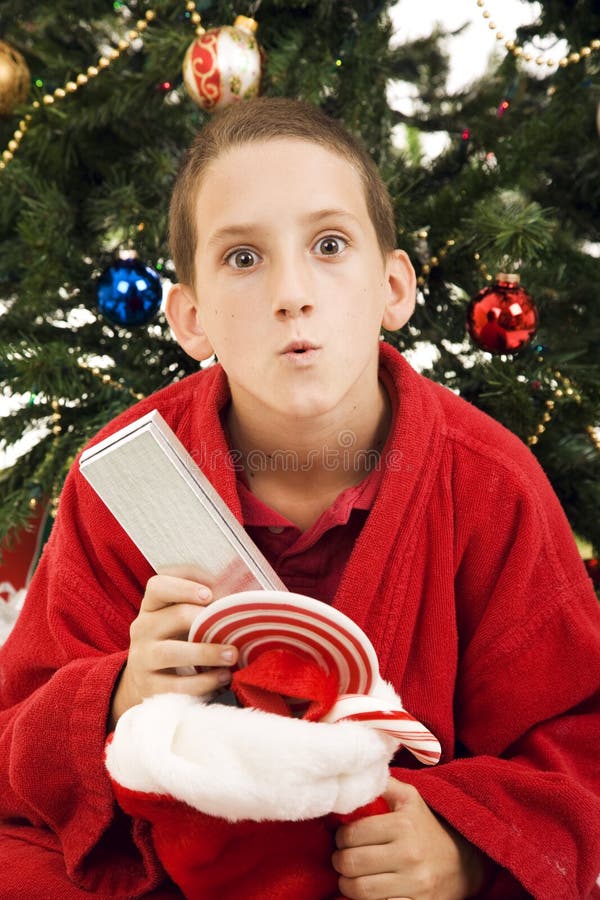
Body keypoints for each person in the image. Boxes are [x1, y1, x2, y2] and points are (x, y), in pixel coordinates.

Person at [0, 96, 599, 900]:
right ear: (190, 316)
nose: (292, 293)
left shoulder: (489, 485)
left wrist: (465, 847)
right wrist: (120, 695)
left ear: (392, 287)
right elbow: (18, 738)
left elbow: (575, 736)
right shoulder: (127, 480)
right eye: (243, 258)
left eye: (328, 245)